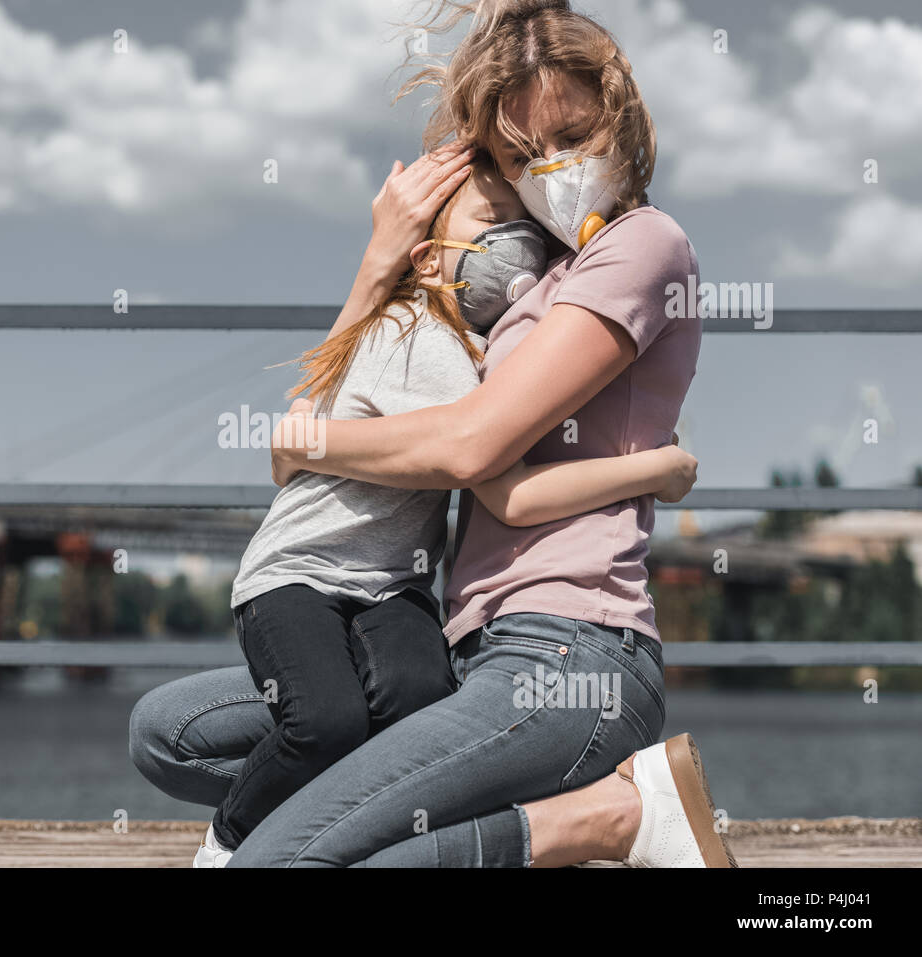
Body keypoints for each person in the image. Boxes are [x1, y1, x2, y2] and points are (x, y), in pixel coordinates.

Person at [132, 0, 735, 867]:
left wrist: (313, 444)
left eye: (573, 132)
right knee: (171, 731)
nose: (554, 168)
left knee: (283, 859)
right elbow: (309, 436)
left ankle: (608, 818)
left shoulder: (642, 246)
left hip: (567, 652)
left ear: (620, 107)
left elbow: (465, 450)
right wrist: (380, 263)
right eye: (524, 156)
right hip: (458, 650)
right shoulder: (518, 283)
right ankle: (506, 812)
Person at [199, 157, 699, 865]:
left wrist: (304, 441)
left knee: (380, 723)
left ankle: (582, 818)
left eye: (525, 228)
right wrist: (661, 468)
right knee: (283, 723)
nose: (517, 243)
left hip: (419, 603)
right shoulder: (426, 341)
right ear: (432, 261)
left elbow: (300, 436)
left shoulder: (497, 341)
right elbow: (479, 470)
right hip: (314, 582)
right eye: (496, 226)